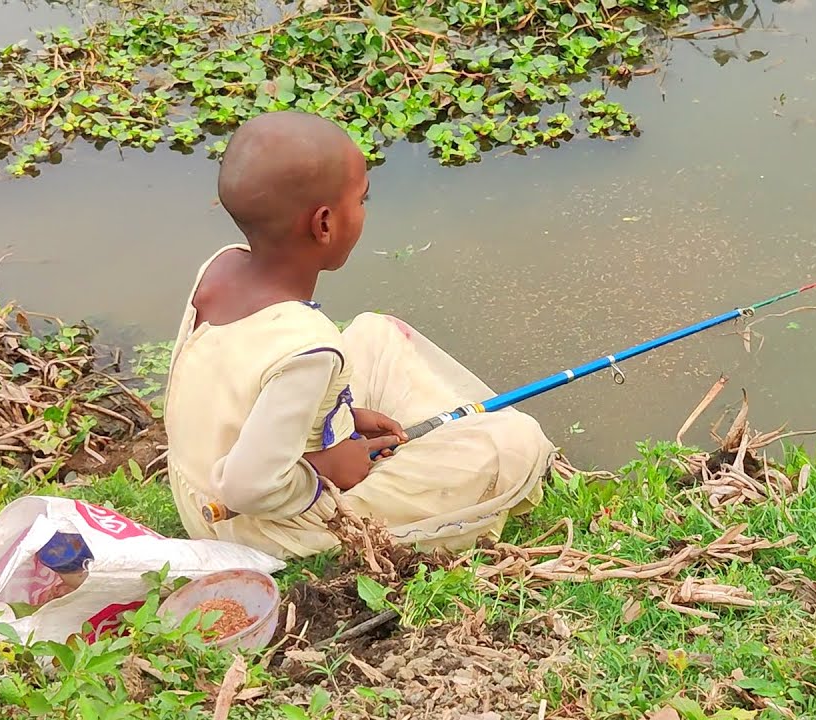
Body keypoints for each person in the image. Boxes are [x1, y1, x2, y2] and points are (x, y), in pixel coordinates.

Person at [162, 110, 555, 560]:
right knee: (515, 442)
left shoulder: (221, 266)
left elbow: (240, 384)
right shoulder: (306, 346)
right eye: (362, 200)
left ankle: (410, 437)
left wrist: (343, 415)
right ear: (324, 224)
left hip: (196, 483)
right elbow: (247, 488)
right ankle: (445, 443)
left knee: (375, 333)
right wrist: (324, 468)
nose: (365, 211)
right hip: (249, 525)